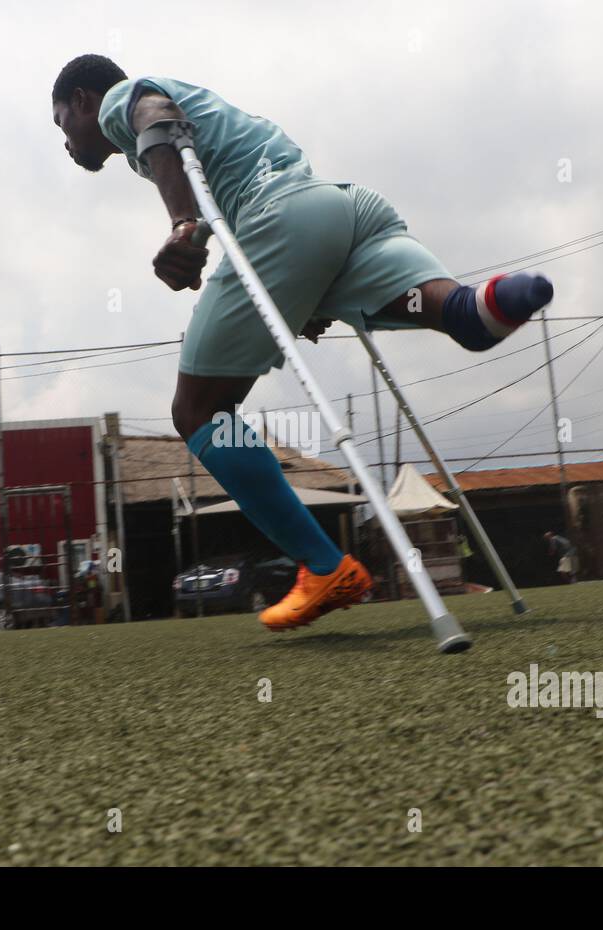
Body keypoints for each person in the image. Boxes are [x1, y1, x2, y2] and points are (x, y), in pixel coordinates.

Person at [52, 55, 553, 630]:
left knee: (196, 412)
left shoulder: (121, 102)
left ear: (87, 100)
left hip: (279, 217)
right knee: (461, 315)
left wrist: (184, 225)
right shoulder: (210, 113)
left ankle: (322, 565)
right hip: (342, 207)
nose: (67, 142)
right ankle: (496, 303)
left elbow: (151, 111)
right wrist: (301, 294)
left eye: (63, 123)